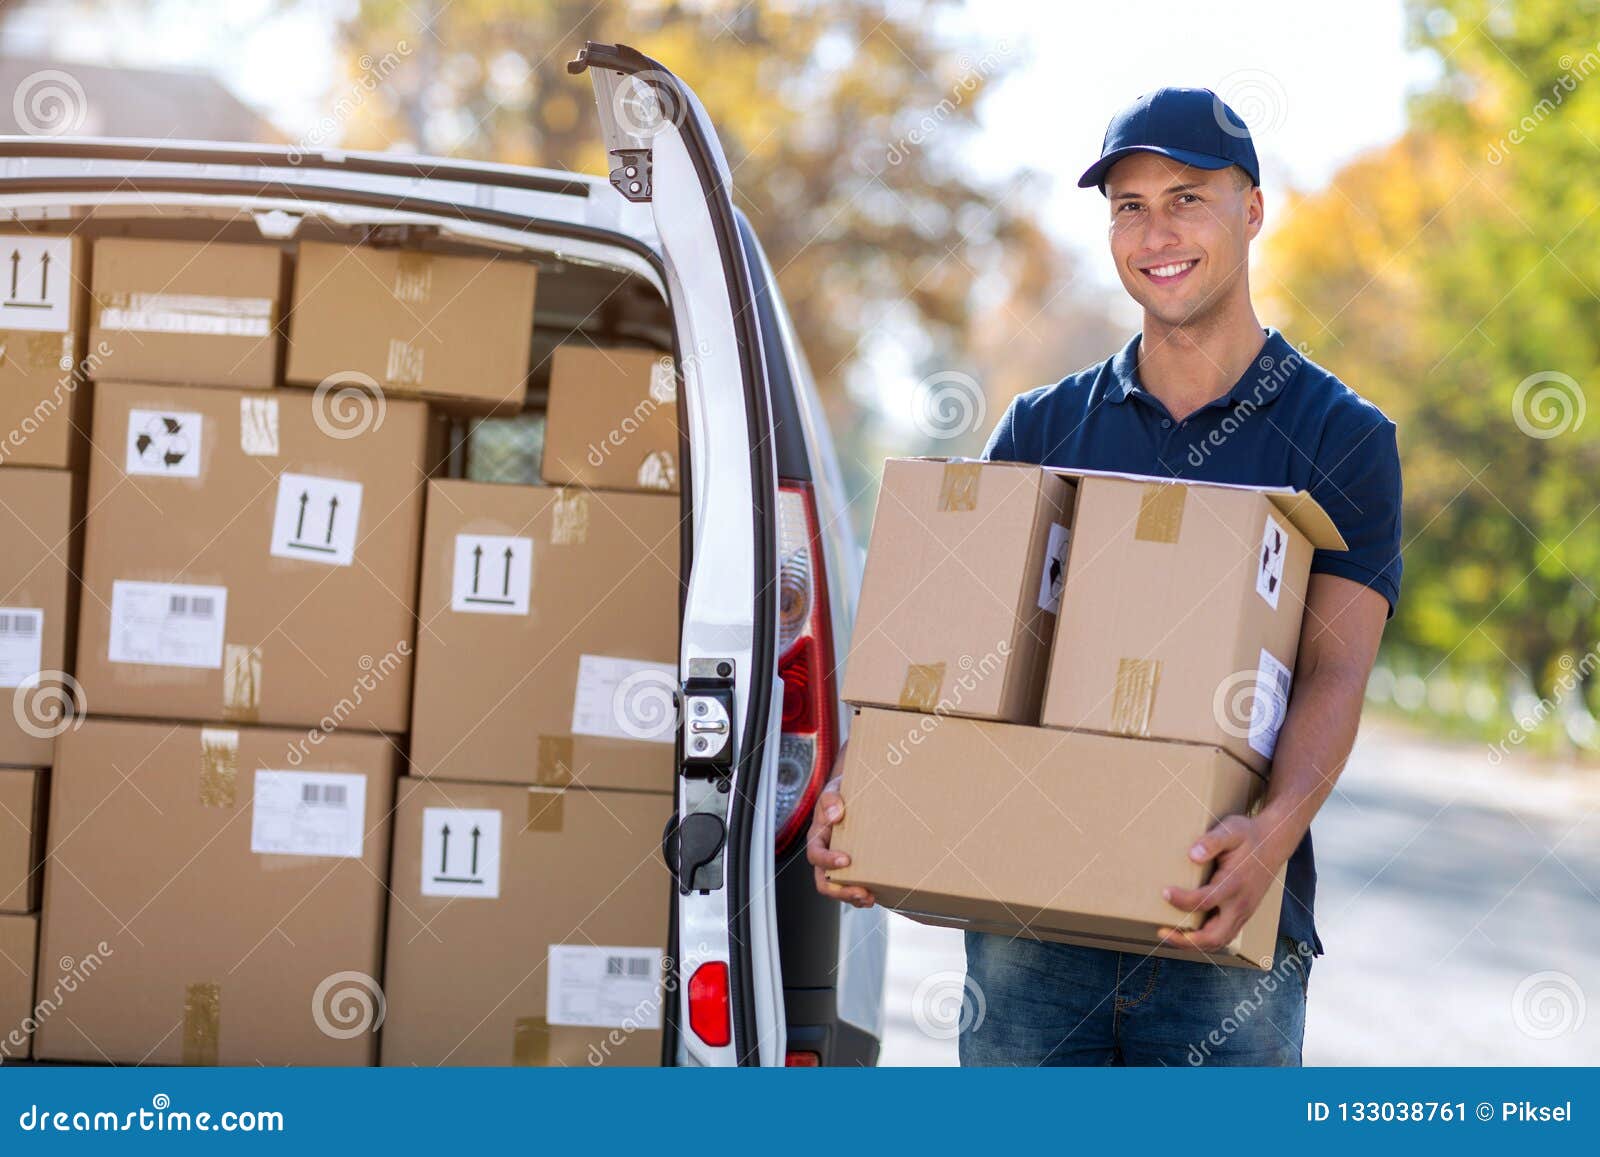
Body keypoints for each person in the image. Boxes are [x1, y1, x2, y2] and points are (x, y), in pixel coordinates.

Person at [807, 87, 1403, 1065]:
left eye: (1185, 198)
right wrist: (874, 795)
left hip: (1225, 924)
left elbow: (1334, 672)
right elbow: (958, 656)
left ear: (1251, 211)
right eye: (1129, 206)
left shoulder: (1341, 437)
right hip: (1029, 932)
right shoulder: (1041, 430)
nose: (1155, 231)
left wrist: (1268, 836)